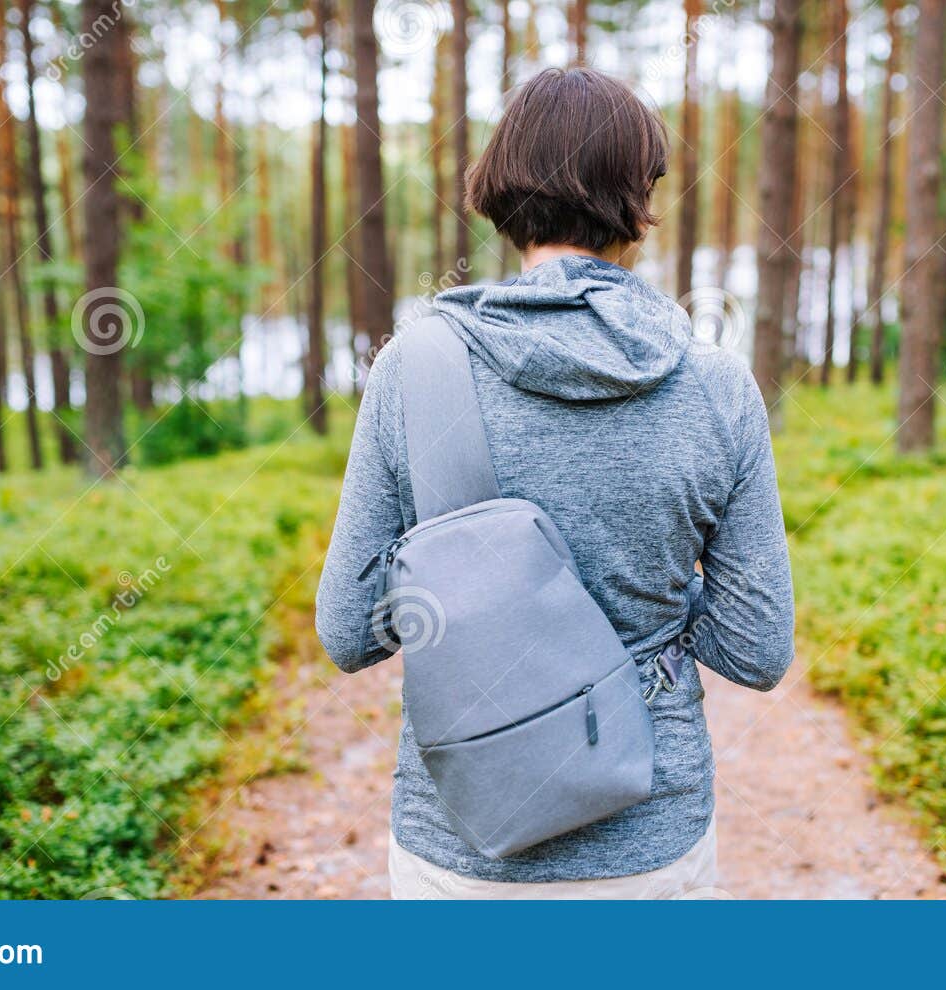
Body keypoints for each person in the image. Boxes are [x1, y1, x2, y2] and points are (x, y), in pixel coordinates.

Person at [314, 67, 794, 899]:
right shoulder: (717, 386)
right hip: (651, 844)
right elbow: (756, 649)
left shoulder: (415, 367)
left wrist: (467, 579)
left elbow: (350, 631)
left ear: (500, 191)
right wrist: (646, 604)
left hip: (461, 847)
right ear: (639, 199)